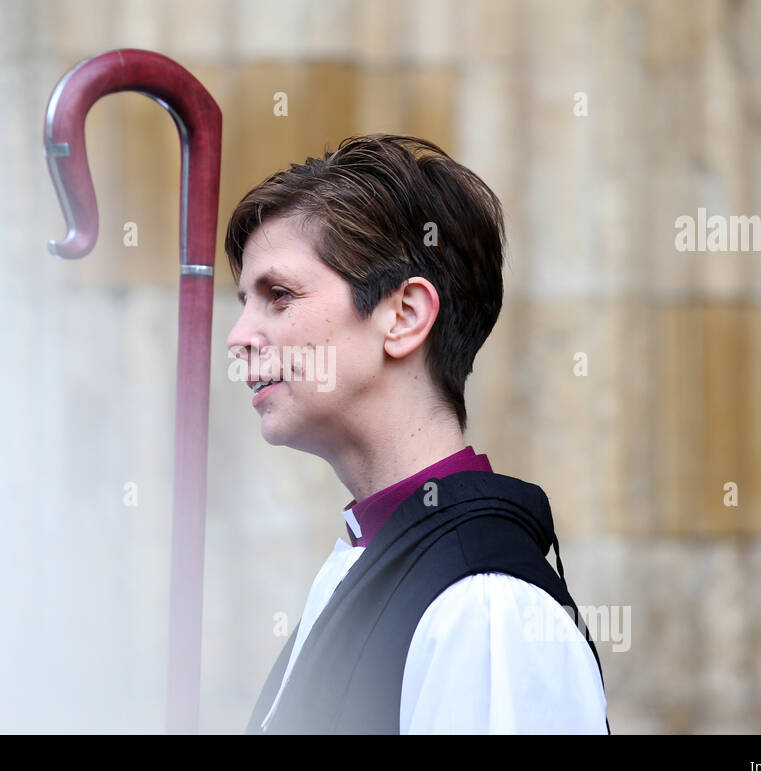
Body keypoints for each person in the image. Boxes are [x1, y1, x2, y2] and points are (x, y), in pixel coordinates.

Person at [225, 134, 609, 734]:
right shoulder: (372, 557)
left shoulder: (483, 608)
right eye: (244, 301)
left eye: (279, 295)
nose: (239, 336)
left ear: (403, 317)